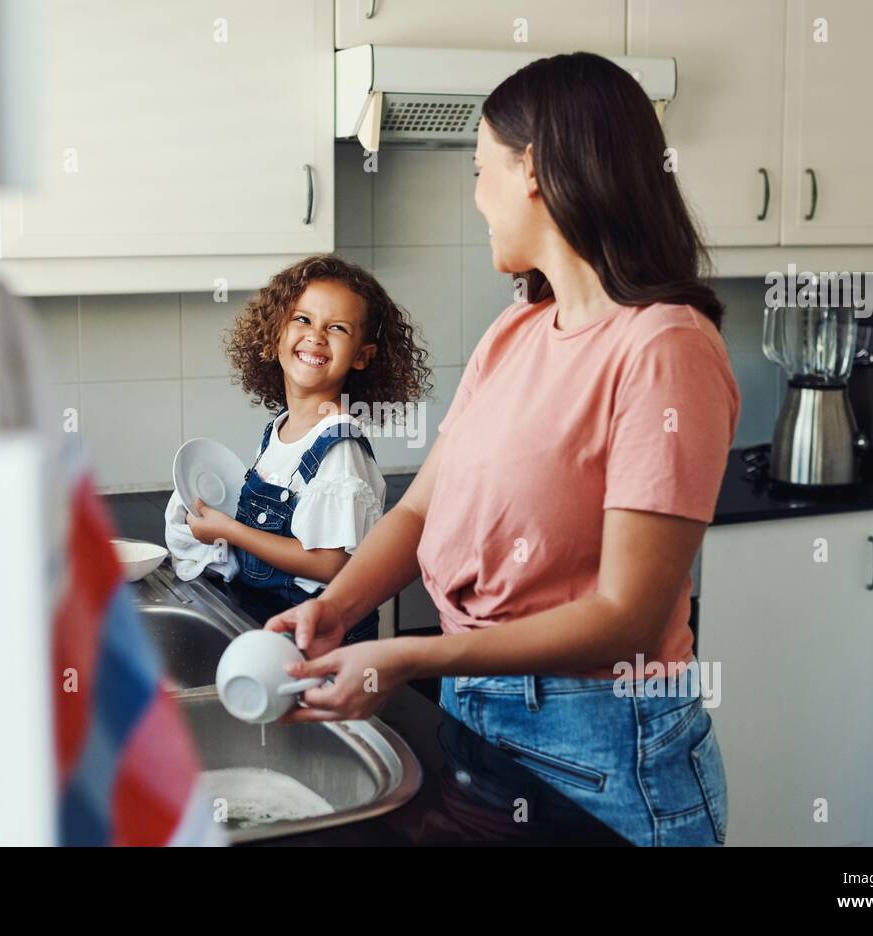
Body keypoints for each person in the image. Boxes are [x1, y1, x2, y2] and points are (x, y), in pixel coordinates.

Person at [265, 53, 741, 846]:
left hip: (601, 752)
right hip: (477, 718)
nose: (477, 198)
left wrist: (410, 656)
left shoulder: (664, 347)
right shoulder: (516, 329)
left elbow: (627, 616)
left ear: (535, 171)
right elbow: (421, 510)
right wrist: (335, 608)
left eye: (480, 168)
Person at [187, 254, 430, 645]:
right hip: (273, 633)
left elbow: (331, 564)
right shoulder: (279, 428)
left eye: (336, 328)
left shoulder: (338, 448)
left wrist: (230, 530)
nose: (316, 335)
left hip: (319, 646)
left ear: (362, 356)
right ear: (275, 334)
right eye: (303, 319)